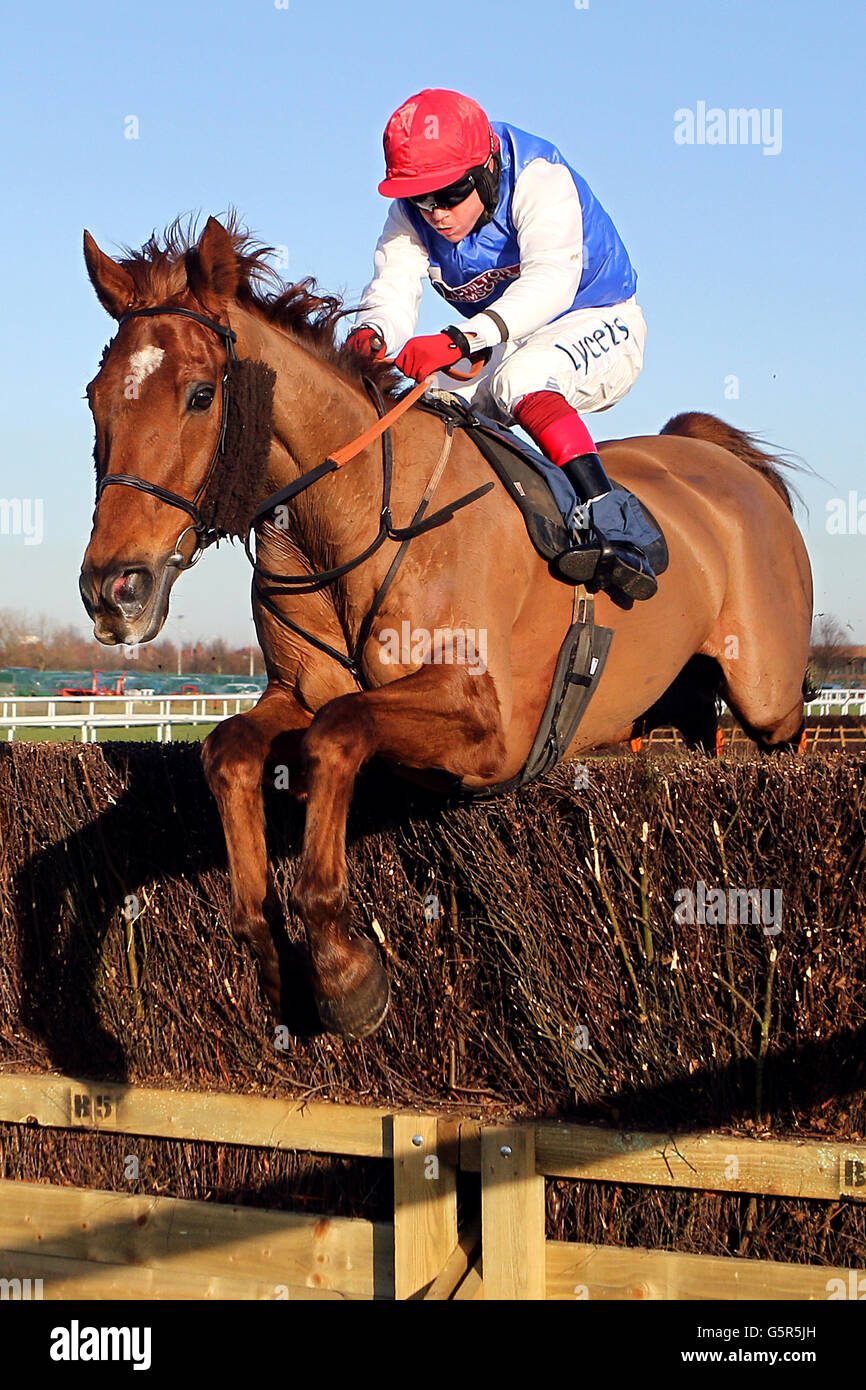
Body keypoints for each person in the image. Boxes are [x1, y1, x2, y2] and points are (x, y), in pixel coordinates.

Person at [346, 88, 661, 600]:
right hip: (511, 336)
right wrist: (373, 333)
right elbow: (392, 290)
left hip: (601, 318)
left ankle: (612, 517)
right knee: (426, 404)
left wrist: (461, 338)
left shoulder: (539, 177)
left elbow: (551, 282)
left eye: (449, 195)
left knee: (523, 378)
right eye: (421, 200)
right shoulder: (412, 214)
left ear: (488, 167)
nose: (436, 214)